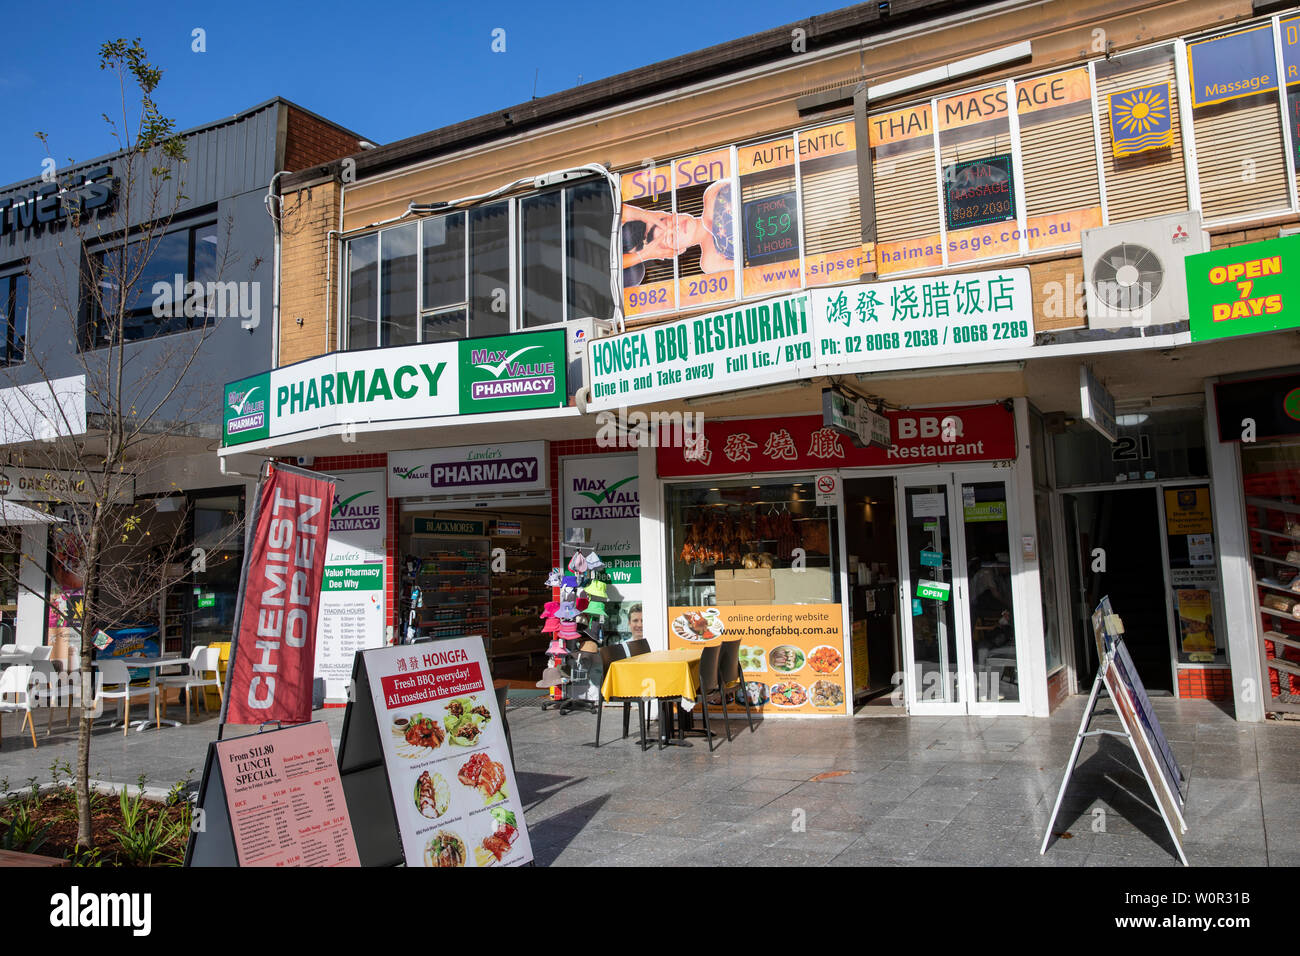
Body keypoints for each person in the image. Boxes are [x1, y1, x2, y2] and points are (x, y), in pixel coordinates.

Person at [621, 180, 734, 287]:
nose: (676, 228)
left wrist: (647, 215)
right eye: (671, 237)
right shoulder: (710, 262)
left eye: (669, 222)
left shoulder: (711, 195)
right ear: (678, 251)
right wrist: (646, 254)